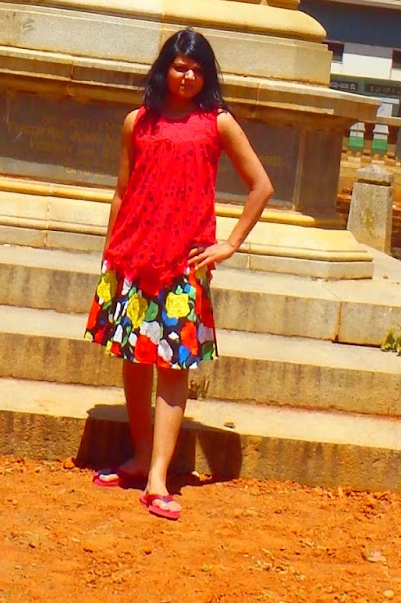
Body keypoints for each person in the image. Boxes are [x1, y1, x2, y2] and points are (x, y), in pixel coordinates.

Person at [85, 28, 273, 522]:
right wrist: (110, 251)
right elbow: (122, 191)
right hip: (131, 259)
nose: (187, 76)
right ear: (164, 68)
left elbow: (261, 185)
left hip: (182, 266)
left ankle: (158, 479)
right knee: (134, 359)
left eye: (196, 68)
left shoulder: (218, 123)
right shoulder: (137, 122)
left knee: (173, 368)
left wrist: (228, 245)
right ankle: (141, 455)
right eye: (178, 66)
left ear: (206, 75)